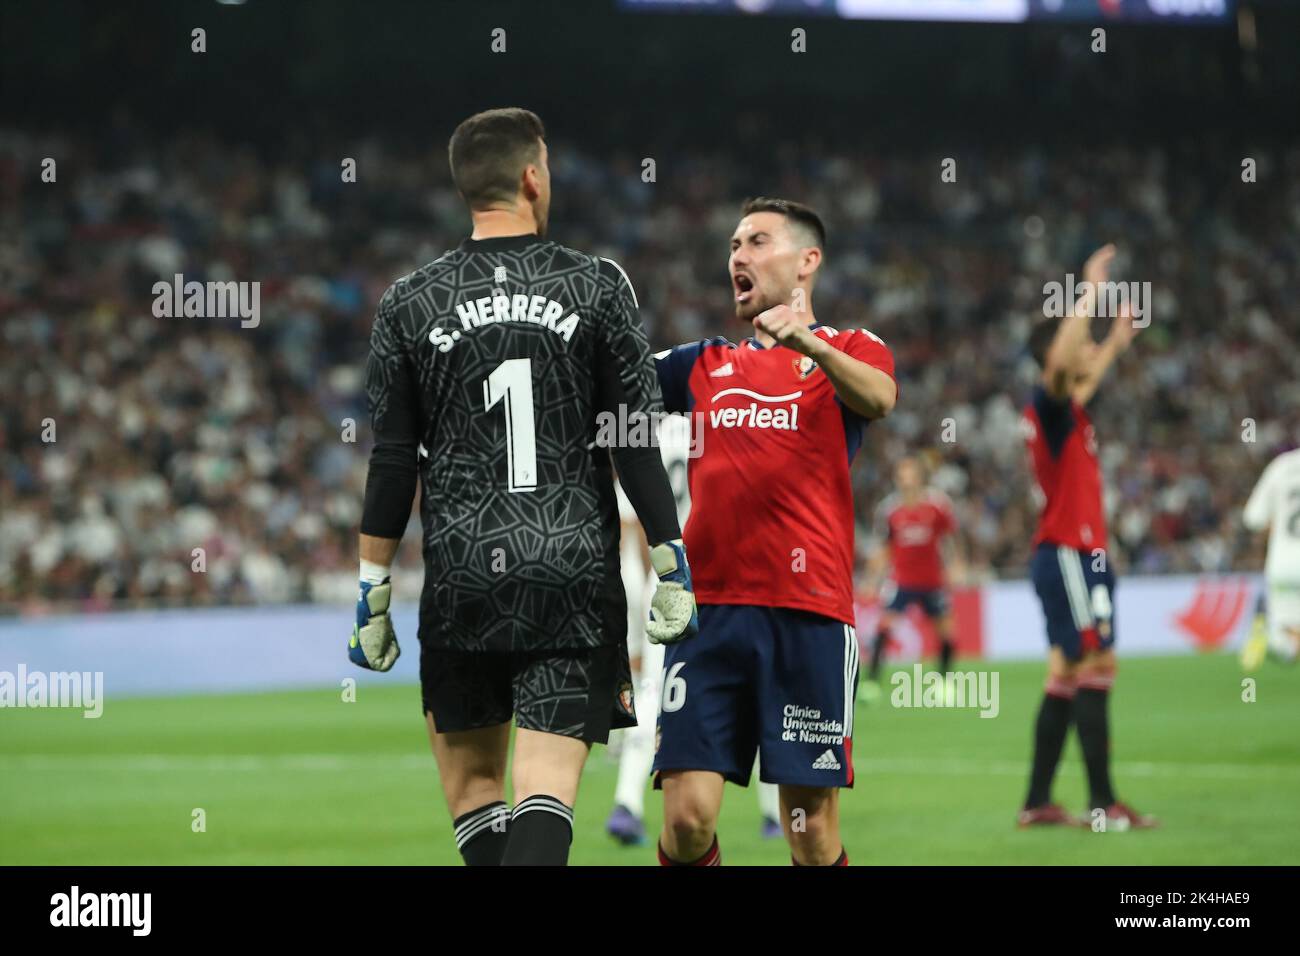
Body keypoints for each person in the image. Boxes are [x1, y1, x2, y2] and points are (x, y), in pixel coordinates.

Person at [347, 107, 697, 866]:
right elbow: (634, 438)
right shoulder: (597, 283)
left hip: (465, 576)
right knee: (545, 791)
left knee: (477, 792)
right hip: (571, 573)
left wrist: (373, 589)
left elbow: (393, 459)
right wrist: (671, 557)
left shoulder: (409, 300)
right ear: (533, 177)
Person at [651, 197, 897, 866]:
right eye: (733, 245)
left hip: (808, 615)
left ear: (806, 261)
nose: (737, 255)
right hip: (710, 616)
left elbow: (878, 398)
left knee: (810, 832)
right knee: (687, 821)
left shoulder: (850, 347)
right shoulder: (701, 364)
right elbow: (610, 385)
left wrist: (807, 343)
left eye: (757, 241)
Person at [1018, 244, 1154, 830]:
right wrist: (1091, 292)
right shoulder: (1048, 405)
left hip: (1083, 555)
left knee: (1075, 670)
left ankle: (1039, 803)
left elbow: (1085, 371)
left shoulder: (1071, 410)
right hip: (1067, 554)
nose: (1086, 351)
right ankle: (1103, 803)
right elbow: (1064, 367)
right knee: (1091, 660)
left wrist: (1118, 340)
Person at [862, 456, 959, 702]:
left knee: (946, 633)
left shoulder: (937, 505)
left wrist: (957, 565)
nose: (905, 479)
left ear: (919, 476)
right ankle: (872, 684)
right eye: (901, 474)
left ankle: (944, 683)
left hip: (932, 580)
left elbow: (950, 539)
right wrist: (872, 578)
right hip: (901, 579)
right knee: (883, 629)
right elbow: (885, 548)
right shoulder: (890, 510)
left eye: (909, 473)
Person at [1240, 447, 1300, 669]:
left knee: (1288, 634)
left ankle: (1267, 630)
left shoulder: (1281, 466)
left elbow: (1253, 517)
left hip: (1282, 562)